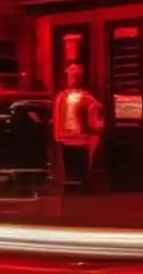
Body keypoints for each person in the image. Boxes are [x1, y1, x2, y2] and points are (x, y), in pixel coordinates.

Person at [52, 63, 104, 192]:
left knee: (79, 173)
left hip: (80, 140)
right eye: (69, 75)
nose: (71, 78)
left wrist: (95, 130)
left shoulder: (86, 98)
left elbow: (96, 119)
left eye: (74, 75)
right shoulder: (63, 96)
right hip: (66, 140)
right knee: (71, 173)